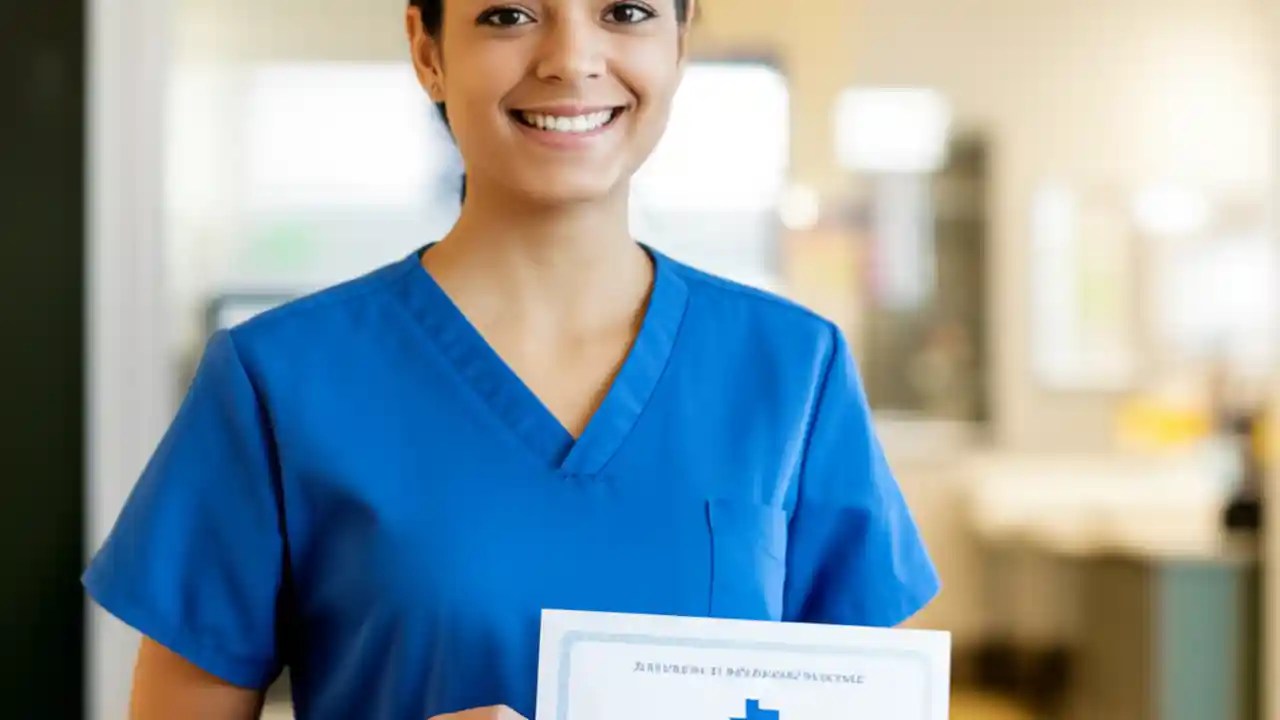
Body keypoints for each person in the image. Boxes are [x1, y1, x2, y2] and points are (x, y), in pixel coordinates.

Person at [83, 0, 940, 718]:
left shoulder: (792, 370)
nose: (571, 58)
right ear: (427, 50)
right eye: (508, 14)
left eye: (627, 12)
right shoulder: (277, 381)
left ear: (680, 41)